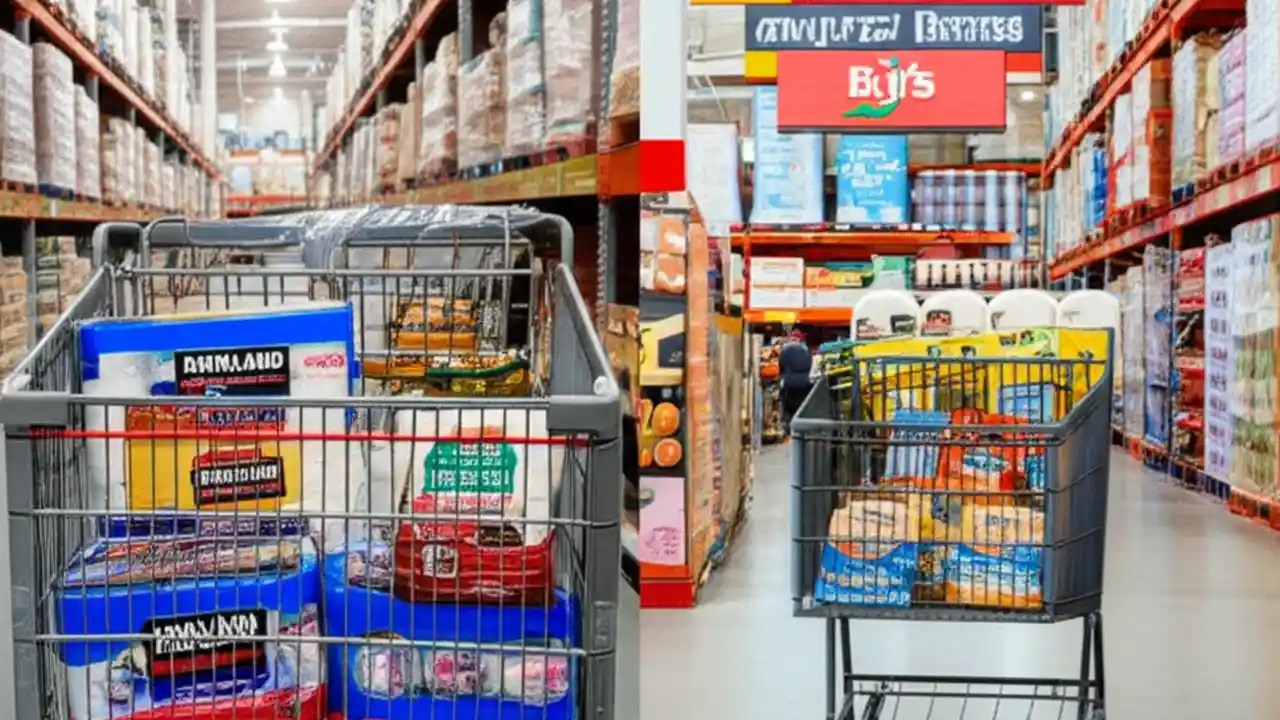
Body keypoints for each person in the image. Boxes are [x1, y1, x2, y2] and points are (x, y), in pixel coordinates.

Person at [778, 330, 813, 433]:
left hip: (789, 381)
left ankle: (788, 426)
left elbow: (781, 366)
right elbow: (809, 365)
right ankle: (801, 427)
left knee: (787, 404)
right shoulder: (805, 350)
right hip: (804, 382)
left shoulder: (785, 350)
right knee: (802, 405)